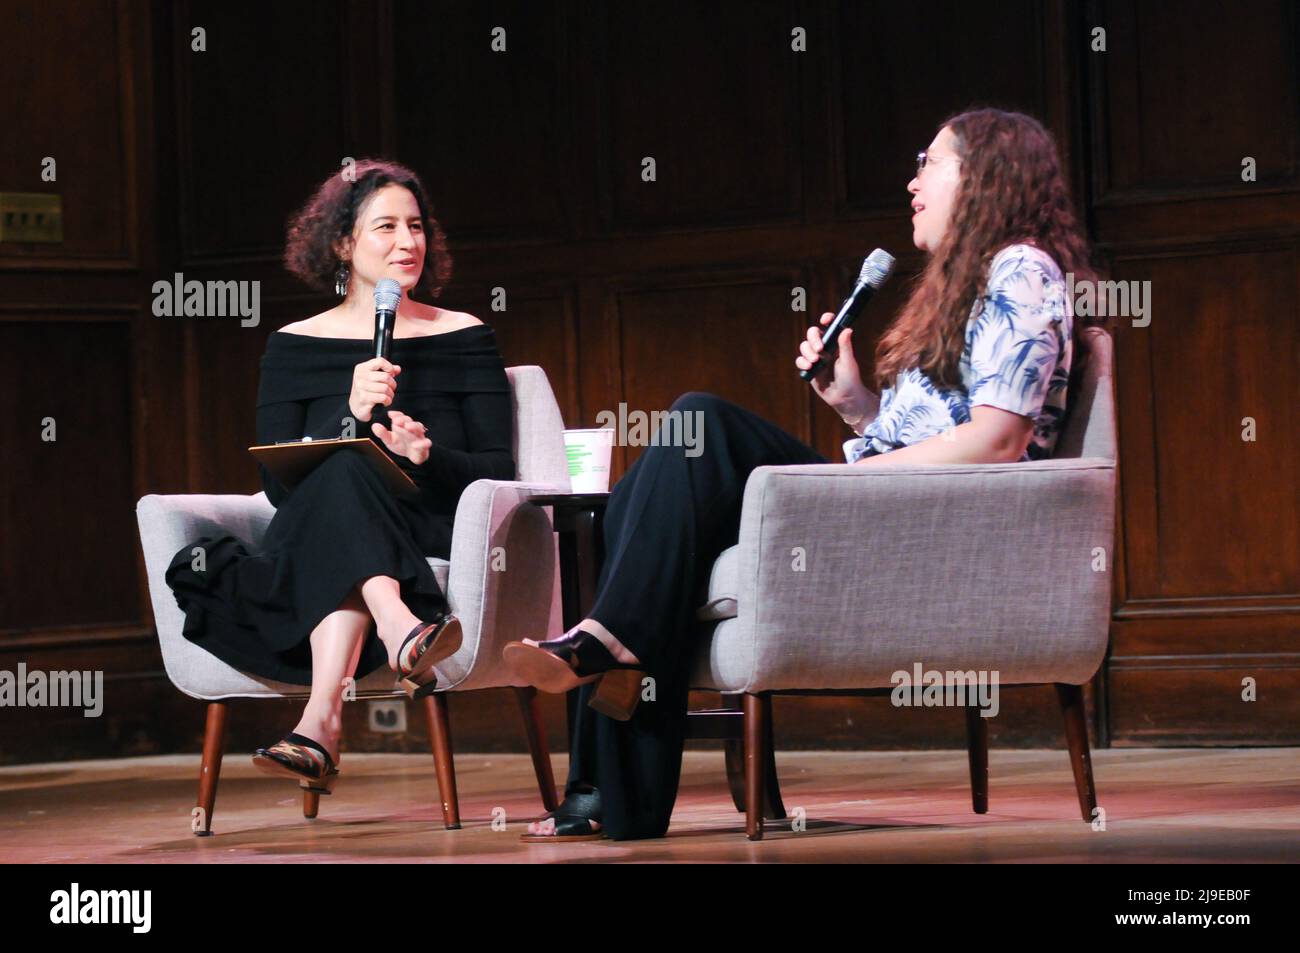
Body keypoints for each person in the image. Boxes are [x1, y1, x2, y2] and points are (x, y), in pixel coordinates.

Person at [502, 107, 1108, 840]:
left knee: (703, 426)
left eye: (930, 163)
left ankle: (604, 758)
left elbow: (998, 440)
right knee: (639, 495)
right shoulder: (969, 283)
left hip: (934, 528)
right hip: (898, 506)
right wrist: (855, 404)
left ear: (985, 177)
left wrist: (855, 477)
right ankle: (604, 754)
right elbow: (936, 432)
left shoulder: (1022, 270)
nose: (913, 181)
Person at [164, 160, 514, 795]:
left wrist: (426, 456)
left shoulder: (465, 336)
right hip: (323, 526)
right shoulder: (294, 345)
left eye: (416, 227)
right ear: (343, 244)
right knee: (345, 467)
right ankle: (399, 625)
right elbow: (277, 487)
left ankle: (321, 724)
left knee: (348, 480)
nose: (408, 243)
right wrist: (347, 415)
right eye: (386, 227)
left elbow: (499, 474)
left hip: (423, 524)